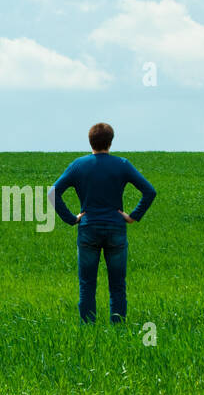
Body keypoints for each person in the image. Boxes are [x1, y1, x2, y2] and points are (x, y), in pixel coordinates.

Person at [51, 123, 156, 324]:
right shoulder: (122, 164)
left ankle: (88, 328)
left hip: (88, 228)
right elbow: (149, 191)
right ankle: (117, 329)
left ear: (90, 141)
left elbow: (52, 192)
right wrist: (133, 215)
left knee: (87, 284)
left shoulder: (78, 165)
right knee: (117, 284)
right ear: (110, 141)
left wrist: (71, 219)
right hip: (116, 228)